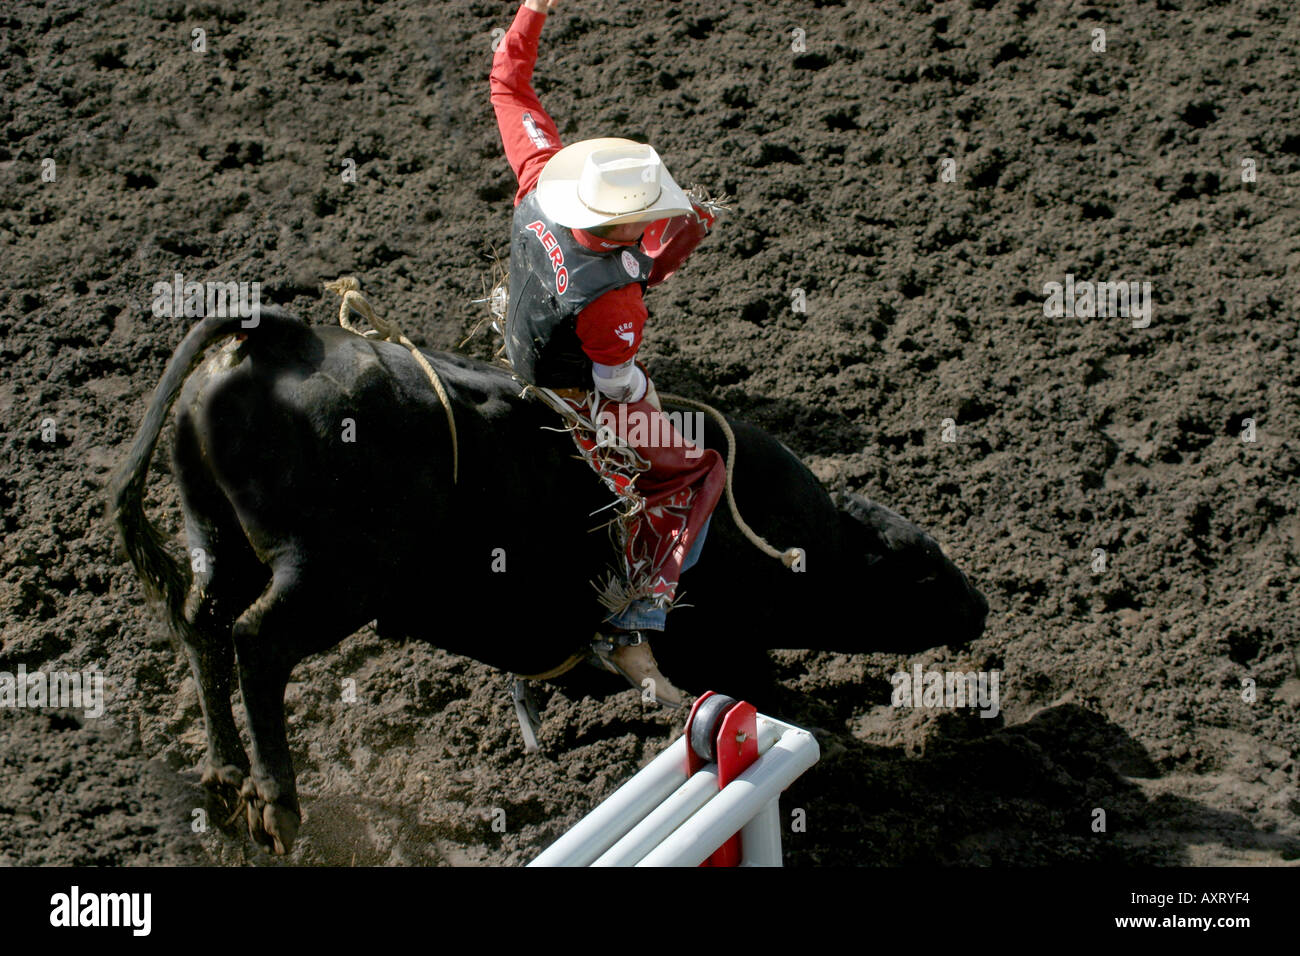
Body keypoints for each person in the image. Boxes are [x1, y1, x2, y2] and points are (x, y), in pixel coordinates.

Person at [490, 0, 726, 705]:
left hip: (519, 348)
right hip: (580, 394)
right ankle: (637, 610)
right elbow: (617, 384)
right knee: (691, 471)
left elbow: (507, 83)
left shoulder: (537, 177)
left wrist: (532, 9)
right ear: (621, 221)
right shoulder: (614, 302)